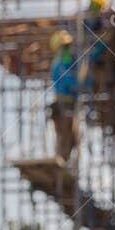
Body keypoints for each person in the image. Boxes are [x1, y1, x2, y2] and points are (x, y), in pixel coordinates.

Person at [49, 29, 79, 163]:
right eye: (66, 47)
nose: (69, 50)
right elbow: (70, 82)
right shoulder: (59, 64)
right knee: (65, 137)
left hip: (67, 104)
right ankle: (61, 161)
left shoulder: (67, 64)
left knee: (72, 138)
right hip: (62, 105)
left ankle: (64, 161)